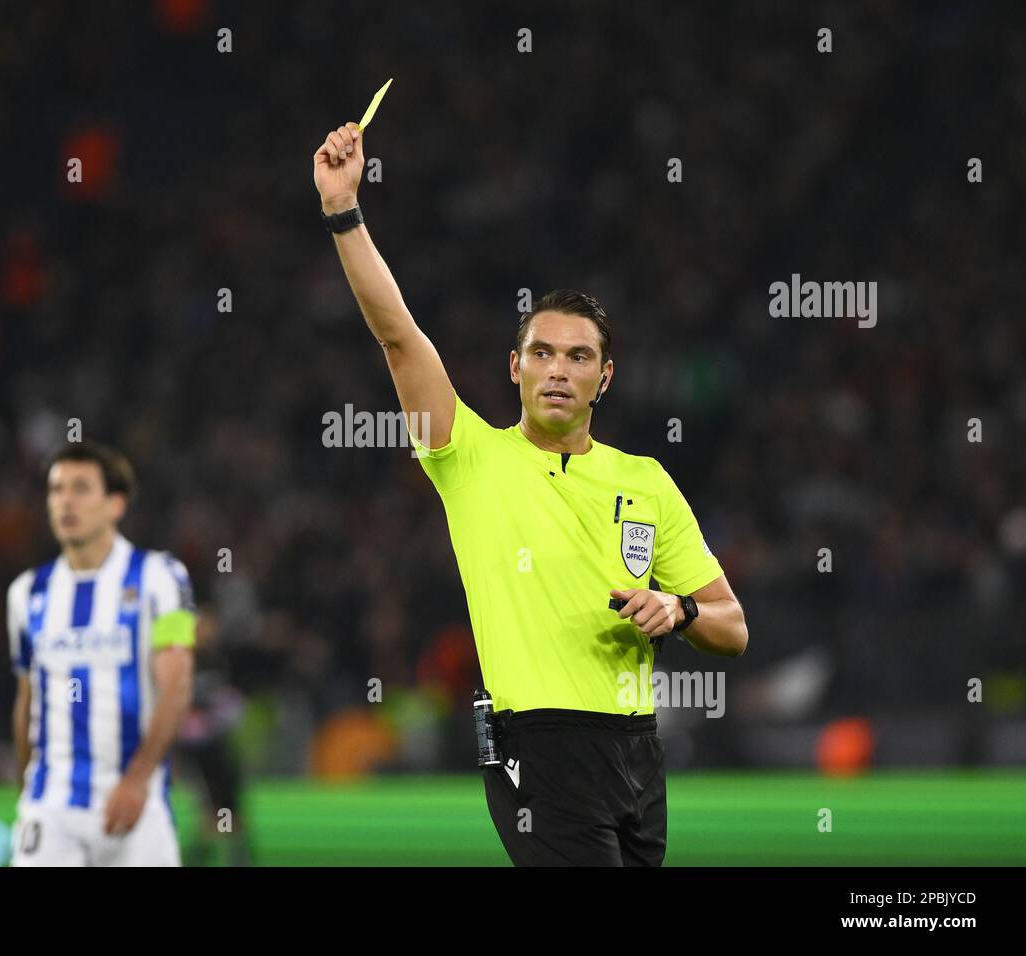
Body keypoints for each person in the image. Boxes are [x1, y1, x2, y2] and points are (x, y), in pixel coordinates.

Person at [313, 121, 749, 866]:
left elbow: (732, 627)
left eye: (579, 357)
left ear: (603, 378)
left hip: (638, 751)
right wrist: (344, 214)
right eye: (542, 353)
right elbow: (399, 337)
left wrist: (676, 611)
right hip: (539, 745)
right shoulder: (470, 455)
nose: (558, 370)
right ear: (514, 366)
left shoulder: (645, 480)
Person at [8, 441, 195, 866]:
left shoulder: (161, 577)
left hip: (137, 803)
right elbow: (27, 699)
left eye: (80, 488)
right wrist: (27, 790)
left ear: (115, 504)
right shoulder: (26, 594)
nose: (65, 502)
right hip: (51, 807)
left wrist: (137, 777)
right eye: (57, 490)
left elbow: (177, 683)